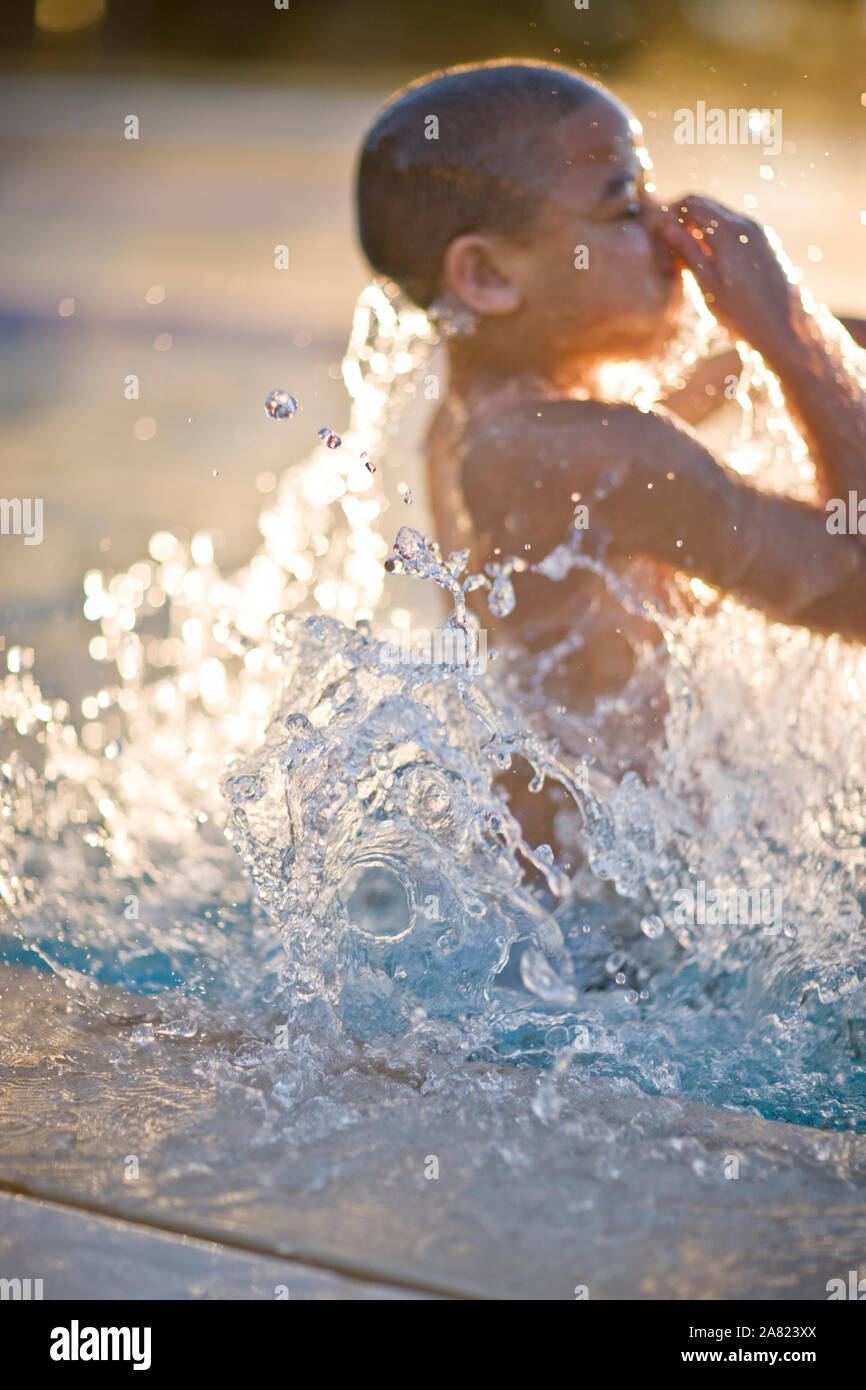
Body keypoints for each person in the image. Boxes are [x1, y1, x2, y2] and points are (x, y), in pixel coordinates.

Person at [357, 60, 866, 850]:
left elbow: (649, 435)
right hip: (623, 948)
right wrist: (792, 343)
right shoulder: (570, 454)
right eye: (624, 205)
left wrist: (822, 338)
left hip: (563, 922)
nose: (670, 230)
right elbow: (857, 587)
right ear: (488, 274)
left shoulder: (470, 425)